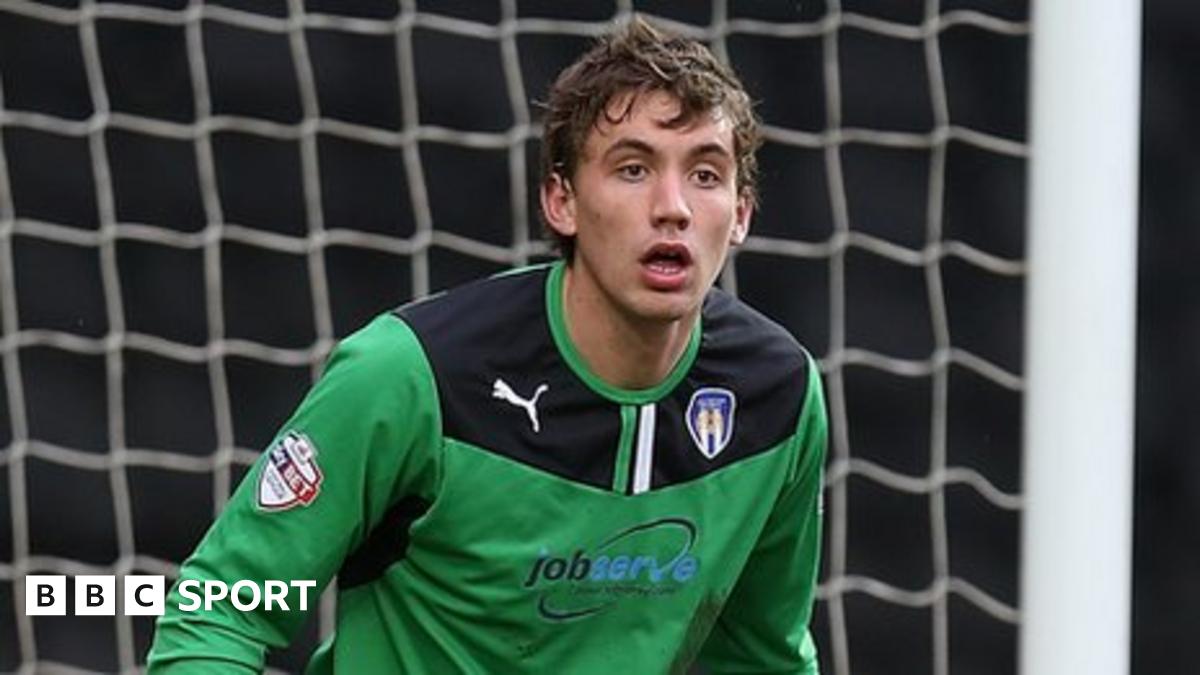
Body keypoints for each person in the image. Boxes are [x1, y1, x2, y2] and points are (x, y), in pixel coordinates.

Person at [147, 16, 827, 674]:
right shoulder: (411, 374)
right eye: (632, 169)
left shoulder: (779, 397)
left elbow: (763, 657)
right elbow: (217, 613)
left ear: (741, 213)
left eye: (706, 174)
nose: (673, 205)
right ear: (560, 201)